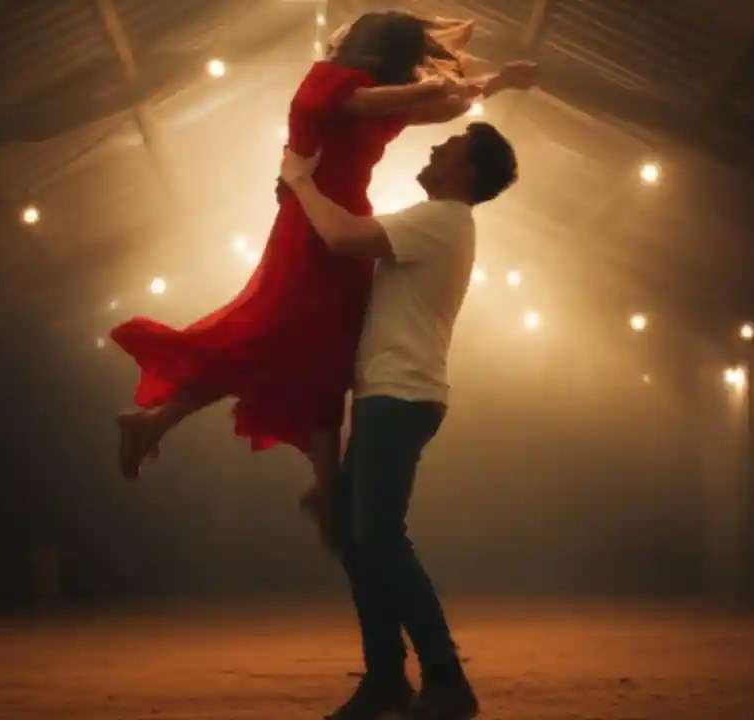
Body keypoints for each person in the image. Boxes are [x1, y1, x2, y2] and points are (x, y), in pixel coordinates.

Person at [111, 10, 537, 544]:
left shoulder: (382, 99)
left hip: (340, 222)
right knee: (268, 337)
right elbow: (410, 100)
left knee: (326, 357)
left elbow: (441, 104)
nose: (411, 71)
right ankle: (324, 492)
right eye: (409, 59)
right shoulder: (329, 83)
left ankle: (296, 477)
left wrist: (491, 82)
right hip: (314, 227)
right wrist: (472, 83)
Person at [278, 121, 518, 719]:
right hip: (392, 394)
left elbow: (340, 235)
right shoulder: (441, 221)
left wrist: (300, 183)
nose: (436, 146)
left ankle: (445, 677)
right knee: (358, 544)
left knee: (378, 538)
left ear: (463, 173)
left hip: (400, 395)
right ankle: (386, 675)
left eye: (450, 147)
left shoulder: (441, 219)